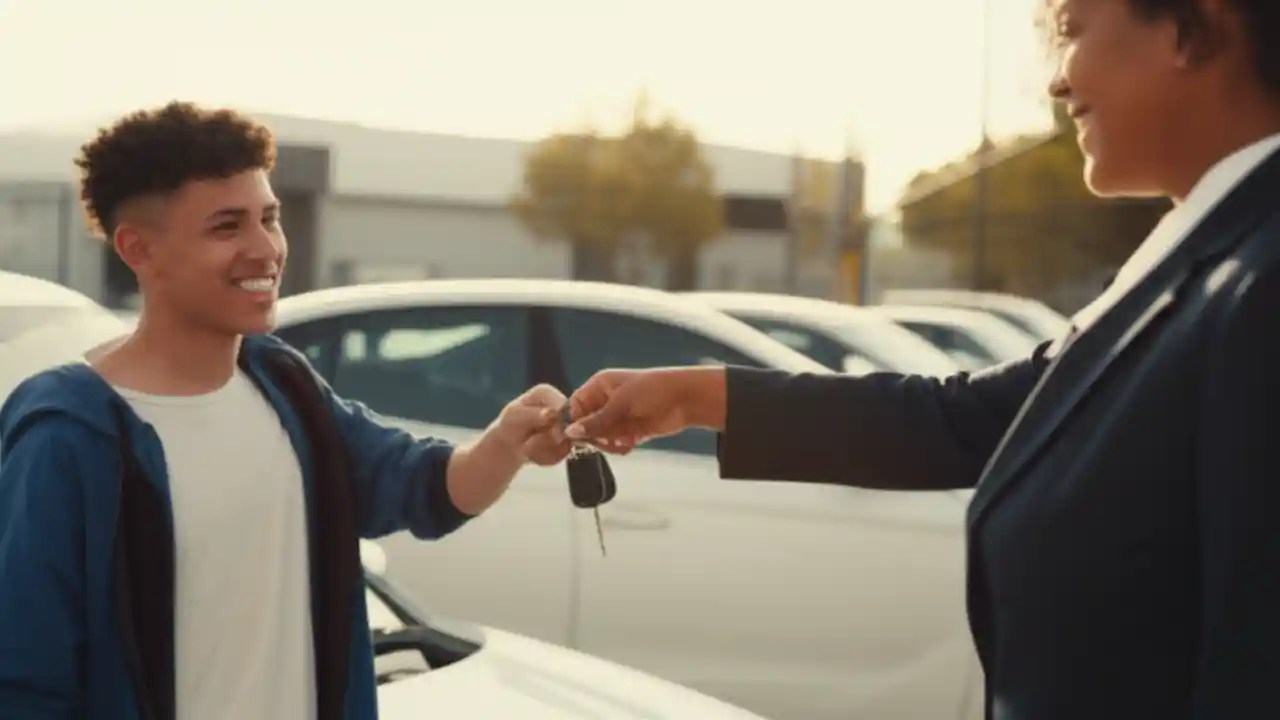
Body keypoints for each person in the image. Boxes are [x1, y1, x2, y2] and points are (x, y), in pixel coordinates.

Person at [567, 1, 1280, 718]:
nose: (1057, 85)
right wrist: (699, 397)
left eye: (1071, 30)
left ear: (1195, 24)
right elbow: (967, 420)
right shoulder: (1201, 253)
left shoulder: (1261, 277)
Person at [0, 101, 573, 720]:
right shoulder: (68, 432)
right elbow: (26, 674)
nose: (265, 249)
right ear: (139, 249)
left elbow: (422, 487)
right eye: (227, 227)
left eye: (268, 218)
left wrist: (507, 444)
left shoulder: (282, 383)